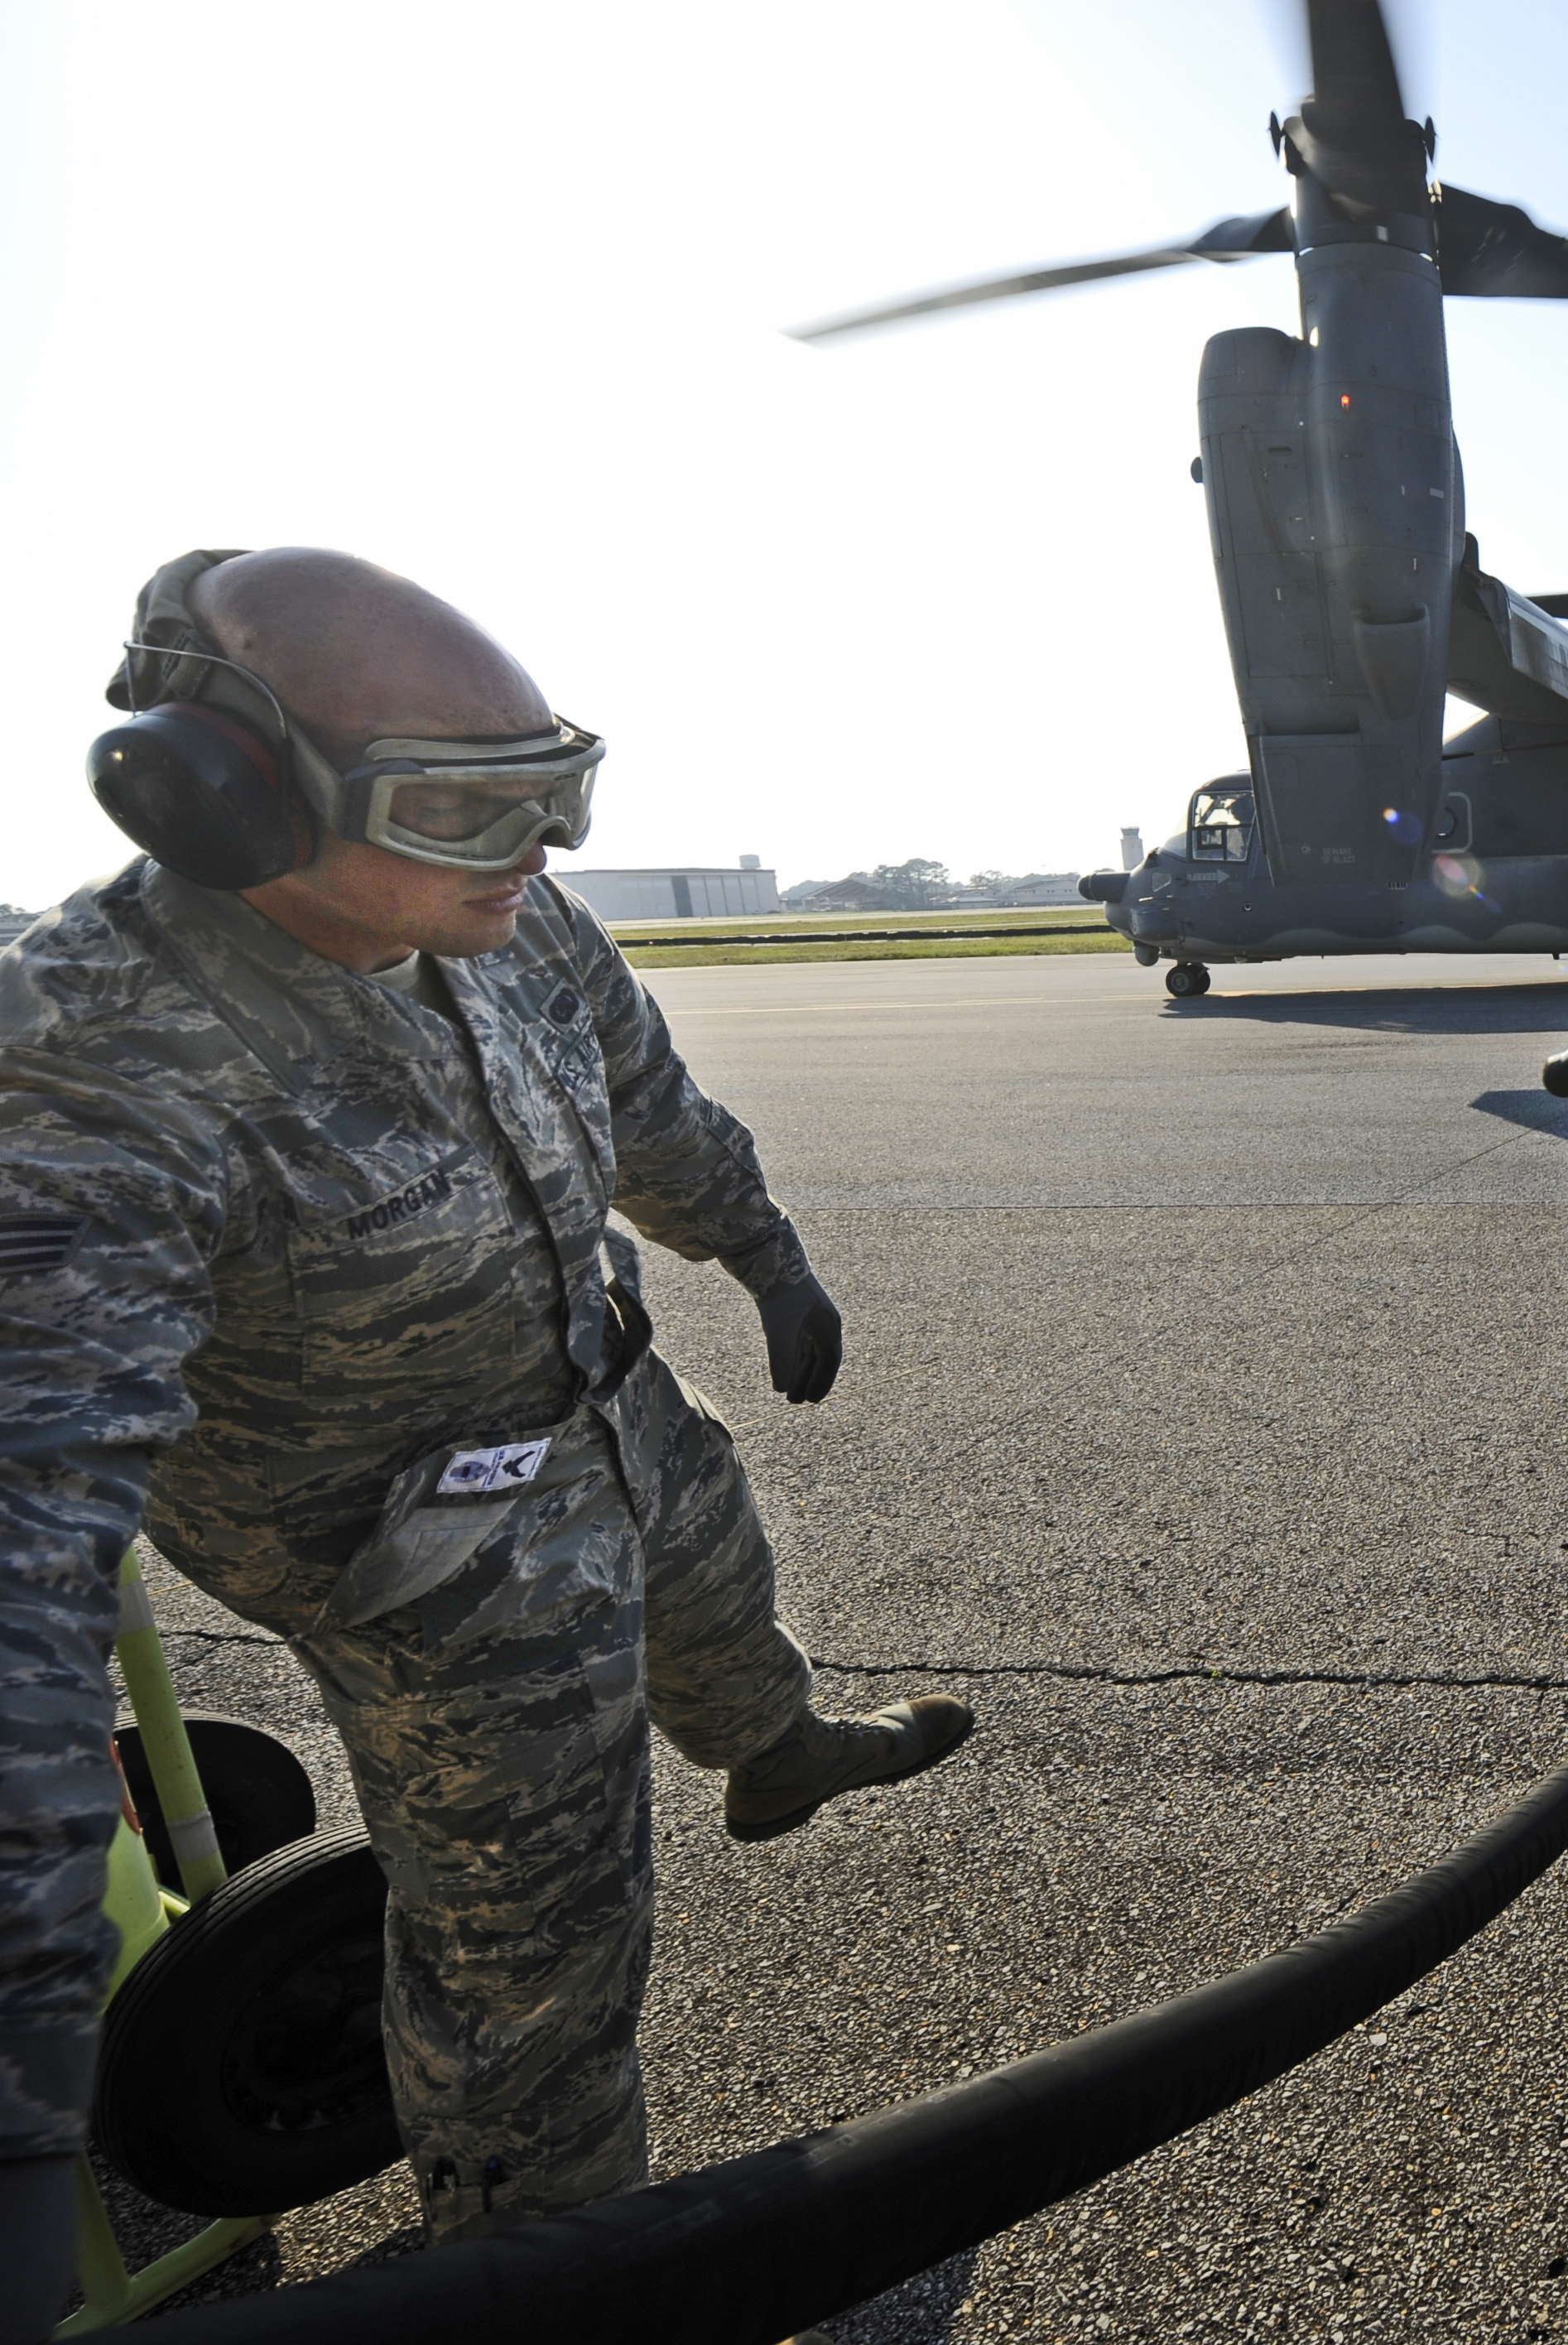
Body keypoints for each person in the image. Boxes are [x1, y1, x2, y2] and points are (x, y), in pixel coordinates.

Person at [0, 547, 974, 2290]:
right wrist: (20, 2086)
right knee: (536, 1953)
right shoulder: (92, 1066)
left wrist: (763, 1253)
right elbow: (30, 1584)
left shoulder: (508, 922)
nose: (540, 848)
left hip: (593, 1396)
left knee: (715, 1566)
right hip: (411, 1552)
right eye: (463, 805)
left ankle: (776, 1749)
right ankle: (541, 2269)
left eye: (557, 789)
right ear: (222, 797)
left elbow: (650, 1102)